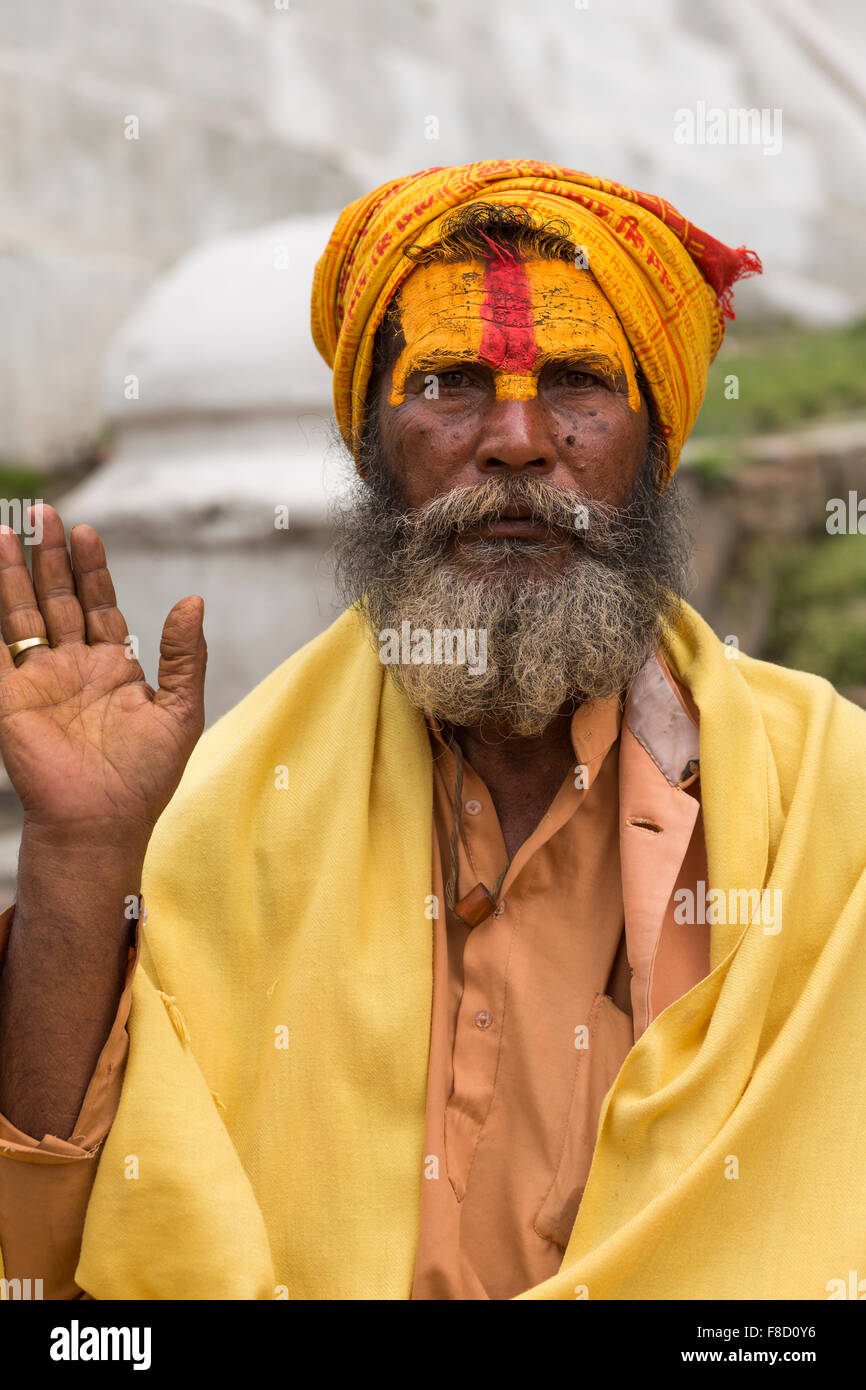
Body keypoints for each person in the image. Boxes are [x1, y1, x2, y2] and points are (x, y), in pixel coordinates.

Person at [0, 160, 864, 1302]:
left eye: (575, 383)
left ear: (652, 447)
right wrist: (79, 856)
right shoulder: (226, 809)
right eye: (450, 383)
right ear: (371, 452)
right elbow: (52, 1245)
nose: (514, 439)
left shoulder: (828, 803)